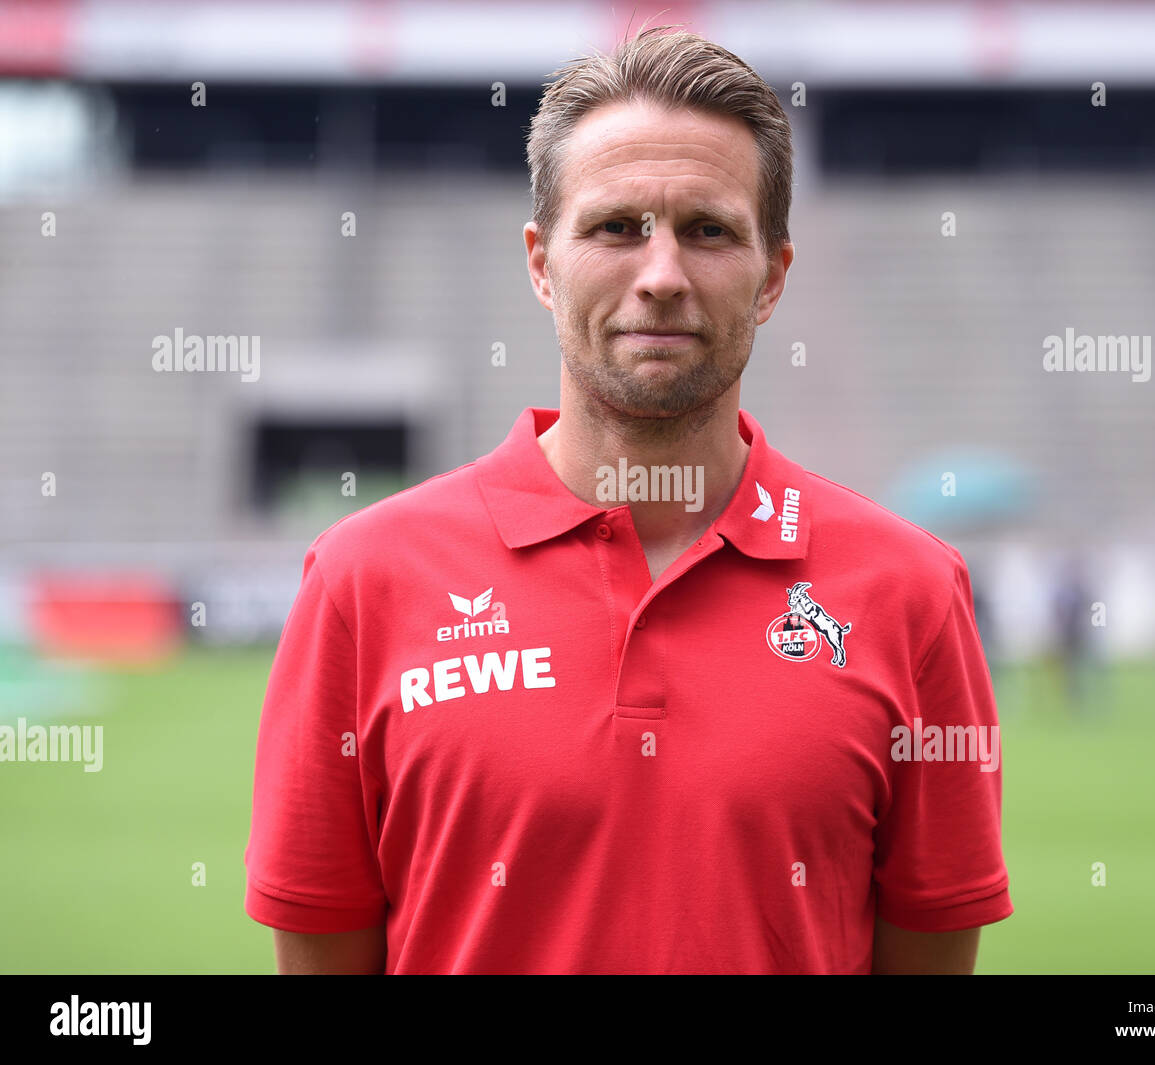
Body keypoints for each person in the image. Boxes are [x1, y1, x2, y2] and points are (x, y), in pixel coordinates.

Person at [244, 27, 1012, 974]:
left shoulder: (912, 591)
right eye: (615, 227)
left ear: (772, 276)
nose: (661, 276)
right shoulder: (363, 580)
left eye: (709, 230)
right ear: (540, 262)